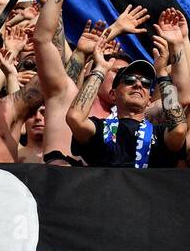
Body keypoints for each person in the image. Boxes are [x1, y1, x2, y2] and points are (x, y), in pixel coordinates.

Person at [67, 39, 179, 168]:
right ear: (113, 94)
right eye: (129, 80)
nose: (138, 84)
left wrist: (162, 73)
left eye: (146, 83)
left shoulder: (159, 133)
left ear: (149, 100)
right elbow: (75, 117)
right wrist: (101, 69)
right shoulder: (100, 128)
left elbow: (179, 129)